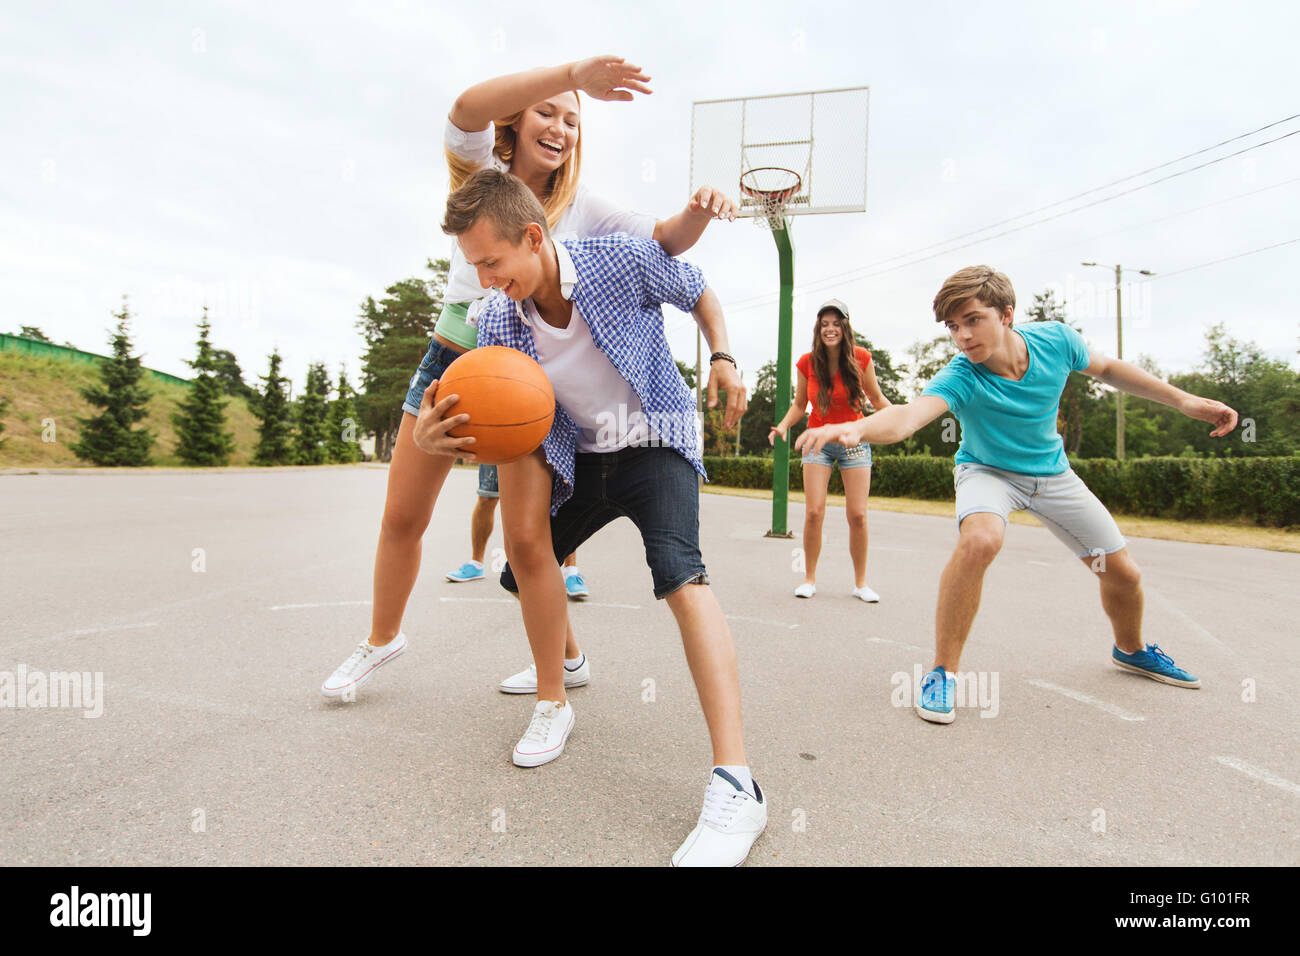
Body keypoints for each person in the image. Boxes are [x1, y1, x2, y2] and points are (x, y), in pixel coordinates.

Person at [320, 56, 736, 700]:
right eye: (548, 112)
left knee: (526, 540)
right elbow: (464, 108)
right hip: (454, 361)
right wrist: (573, 74)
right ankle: (382, 639)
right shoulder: (481, 176)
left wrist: (699, 212)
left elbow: (664, 242)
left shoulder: (582, 205)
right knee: (403, 515)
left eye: (574, 120)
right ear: (517, 118)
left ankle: (559, 669)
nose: (562, 128)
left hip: (527, 379)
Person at [419, 167, 763, 866]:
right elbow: (486, 405)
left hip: (653, 440)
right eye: (474, 267)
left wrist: (722, 356)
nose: (484, 280)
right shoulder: (495, 320)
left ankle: (737, 784)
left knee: (679, 573)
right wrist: (438, 434)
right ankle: (563, 675)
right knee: (523, 563)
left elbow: (698, 290)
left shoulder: (621, 262)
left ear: (533, 237)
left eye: (492, 262)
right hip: (578, 454)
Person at [796, 265, 1238, 724]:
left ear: (1006, 314)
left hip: (1052, 475)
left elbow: (1107, 368)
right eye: (953, 326)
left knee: (1122, 573)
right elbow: (908, 417)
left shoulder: (1056, 341)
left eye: (972, 319)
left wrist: (1186, 401)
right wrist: (856, 427)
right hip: (986, 472)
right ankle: (943, 673)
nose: (962, 336)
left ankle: (1131, 649)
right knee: (980, 540)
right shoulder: (962, 374)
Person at [769, 298, 891, 602]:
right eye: (825, 324)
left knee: (858, 515)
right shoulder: (807, 362)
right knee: (813, 512)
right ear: (818, 329)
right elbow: (800, 405)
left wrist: (905, 416)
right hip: (817, 442)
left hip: (854, 442)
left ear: (845, 327)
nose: (830, 329)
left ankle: (861, 584)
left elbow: (876, 399)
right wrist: (783, 426)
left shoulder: (861, 358)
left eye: (836, 323)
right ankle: (809, 579)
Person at [445, 464, 590, 603]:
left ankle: (571, 572)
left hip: (537, 441)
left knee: (559, 498)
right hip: (496, 441)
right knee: (486, 496)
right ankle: (475, 564)